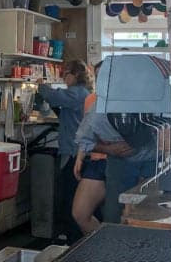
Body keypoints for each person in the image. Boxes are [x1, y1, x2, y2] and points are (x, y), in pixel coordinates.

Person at [75, 101, 157, 224]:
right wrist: (109, 149)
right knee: (114, 216)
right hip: (119, 164)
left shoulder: (152, 101)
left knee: (148, 216)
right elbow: (83, 141)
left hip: (153, 160)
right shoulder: (98, 111)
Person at [36, 60, 90, 244]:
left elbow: (54, 97)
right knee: (70, 196)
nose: (64, 78)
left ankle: (74, 239)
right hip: (73, 150)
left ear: (75, 75)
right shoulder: (80, 93)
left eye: (66, 74)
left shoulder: (78, 93)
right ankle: (75, 235)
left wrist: (40, 86)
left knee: (70, 197)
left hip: (74, 153)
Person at [71, 90, 107, 235]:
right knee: (80, 213)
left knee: (119, 216)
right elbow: (87, 129)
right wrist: (80, 157)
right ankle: (101, 247)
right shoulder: (90, 99)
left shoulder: (124, 96)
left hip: (122, 162)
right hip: (97, 161)